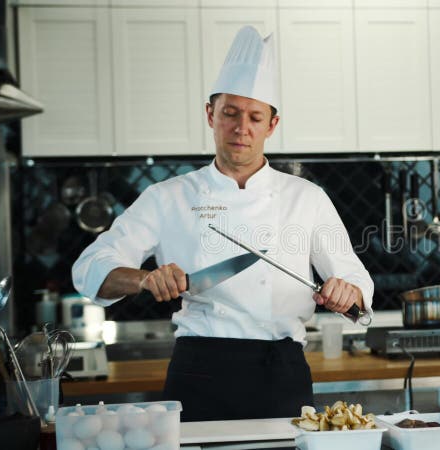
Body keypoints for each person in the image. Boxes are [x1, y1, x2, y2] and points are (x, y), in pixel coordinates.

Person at [71, 26, 374, 422]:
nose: (240, 128)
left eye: (254, 117)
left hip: (281, 370)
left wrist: (343, 292)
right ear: (210, 114)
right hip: (199, 369)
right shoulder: (168, 197)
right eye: (230, 113)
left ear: (272, 125)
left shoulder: (307, 198)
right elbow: (89, 266)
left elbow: (358, 286)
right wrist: (144, 280)